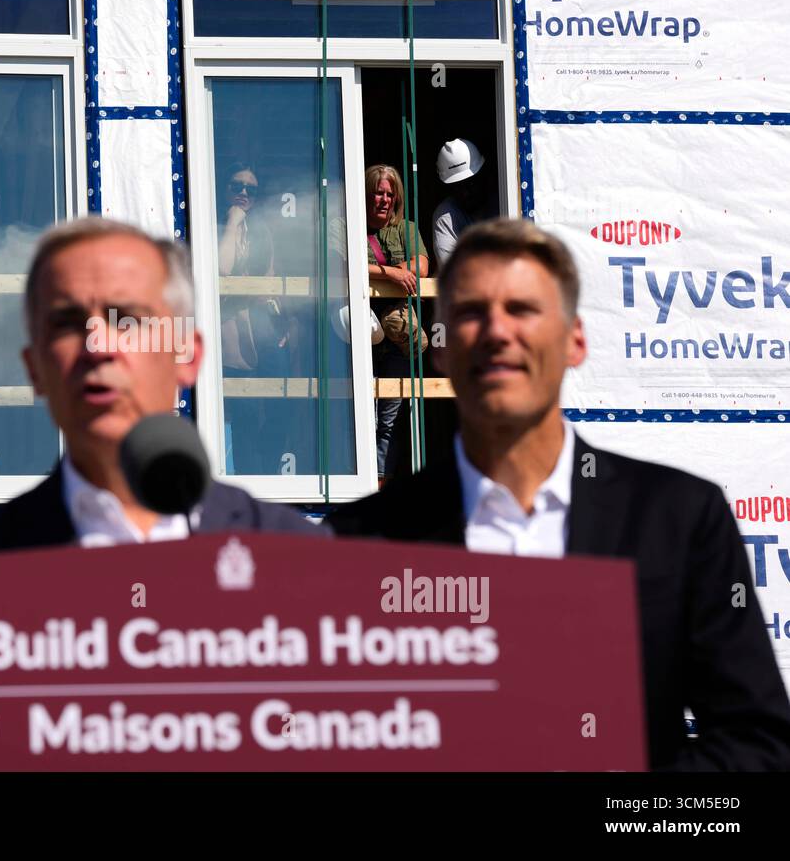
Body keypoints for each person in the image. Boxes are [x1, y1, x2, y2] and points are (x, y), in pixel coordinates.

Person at [325, 218, 790, 771]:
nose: (497, 332)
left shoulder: (679, 520)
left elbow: (760, 747)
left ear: (575, 342)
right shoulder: (362, 546)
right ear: (442, 349)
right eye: (472, 313)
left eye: (522, 309)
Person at [0, 217, 326, 558]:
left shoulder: (299, 564)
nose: (98, 347)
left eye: (126, 320)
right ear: (34, 367)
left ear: (187, 354)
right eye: (68, 324)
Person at [216, 162, 294, 474]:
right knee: (245, 412)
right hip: (232, 331)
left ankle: (265, 465)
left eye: (251, 189)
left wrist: (282, 318)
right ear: (225, 190)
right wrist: (233, 224)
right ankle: (249, 480)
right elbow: (221, 270)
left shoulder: (261, 230)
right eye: (237, 186)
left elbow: (271, 275)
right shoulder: (214, 225)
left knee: (284, 400)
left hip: (265, 328)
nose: (244, 193)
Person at [362, 165, 429, 480]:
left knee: (390, 421)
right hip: (358, 337)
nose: (384, 200)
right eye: (378, 192)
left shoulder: (405, 228)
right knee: (360, 415)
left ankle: (380, 484)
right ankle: (361, 483)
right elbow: (344, 264)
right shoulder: (346, 224)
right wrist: (394, 273)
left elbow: (423, 267)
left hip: (398, 339)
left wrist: (402, 269)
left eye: (390, 194)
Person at [430, 138, 488, 269]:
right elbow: (452, 272)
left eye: (470, 184)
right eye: (457, 187)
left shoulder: (505, 202)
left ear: (483, 177)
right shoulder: (445, 215)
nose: (465, 193)